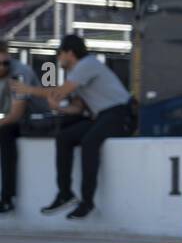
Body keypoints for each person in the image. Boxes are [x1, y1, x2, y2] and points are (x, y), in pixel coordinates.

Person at [10, 35, 133, 219]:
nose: (58, 58)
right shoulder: (76, 72)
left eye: (59, 54)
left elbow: (58, 91)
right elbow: (78, 106)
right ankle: (65, 193)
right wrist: (59, 108)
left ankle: (87, 202)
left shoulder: (86, 64)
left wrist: (27, 89)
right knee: (64, 137)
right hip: (102, 116)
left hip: (121, 114)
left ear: (70, 53)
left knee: (89, 141)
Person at [0, 43, 38, 214]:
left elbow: (16, 114)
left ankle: (7, 198)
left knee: (5, 134)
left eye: (5, 63)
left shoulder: (19, 74)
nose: (2, 67)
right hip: (7, 117)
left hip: (33, 119)